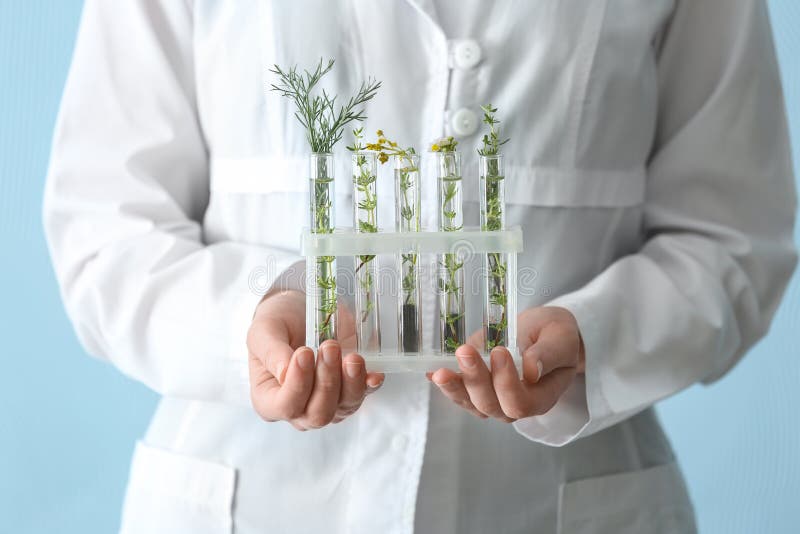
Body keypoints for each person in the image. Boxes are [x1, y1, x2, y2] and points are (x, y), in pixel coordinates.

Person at [44, 1, 796, 533]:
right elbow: (106, 227)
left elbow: (733, 233)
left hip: (556, 502)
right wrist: (248, 319)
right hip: (247, 496)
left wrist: (597, 335)